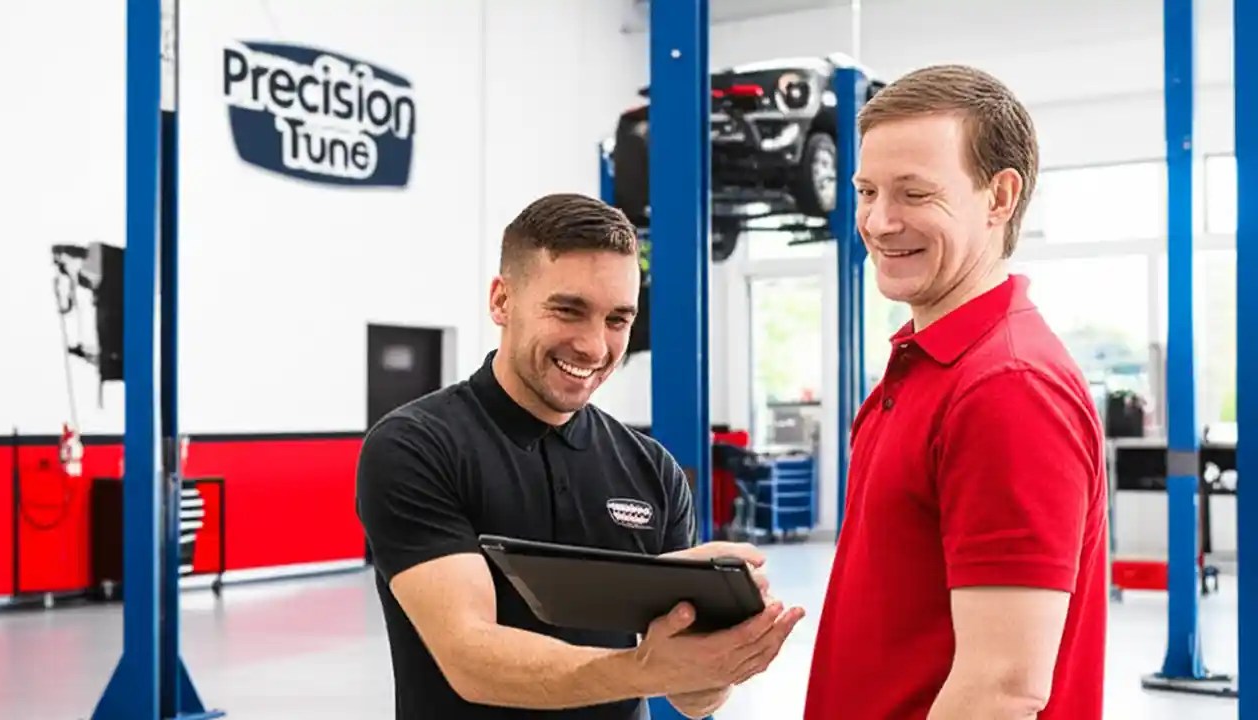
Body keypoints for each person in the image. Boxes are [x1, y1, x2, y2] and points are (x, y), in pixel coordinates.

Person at [357, 193, 805, 720]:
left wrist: (719, 651)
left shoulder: (651, 470)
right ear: (502, 301)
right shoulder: (417, 446)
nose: (595, 346)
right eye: (569, 310)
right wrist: (649, 669)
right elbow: (470, 656)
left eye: (618, 319)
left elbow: (691, 698)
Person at [803, 65, 1108, 719]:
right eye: (866, 191)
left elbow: (1003, 689)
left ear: (999, 197)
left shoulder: (1007, 388)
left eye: (914, 194)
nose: (879, 222)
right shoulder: (928, 367)